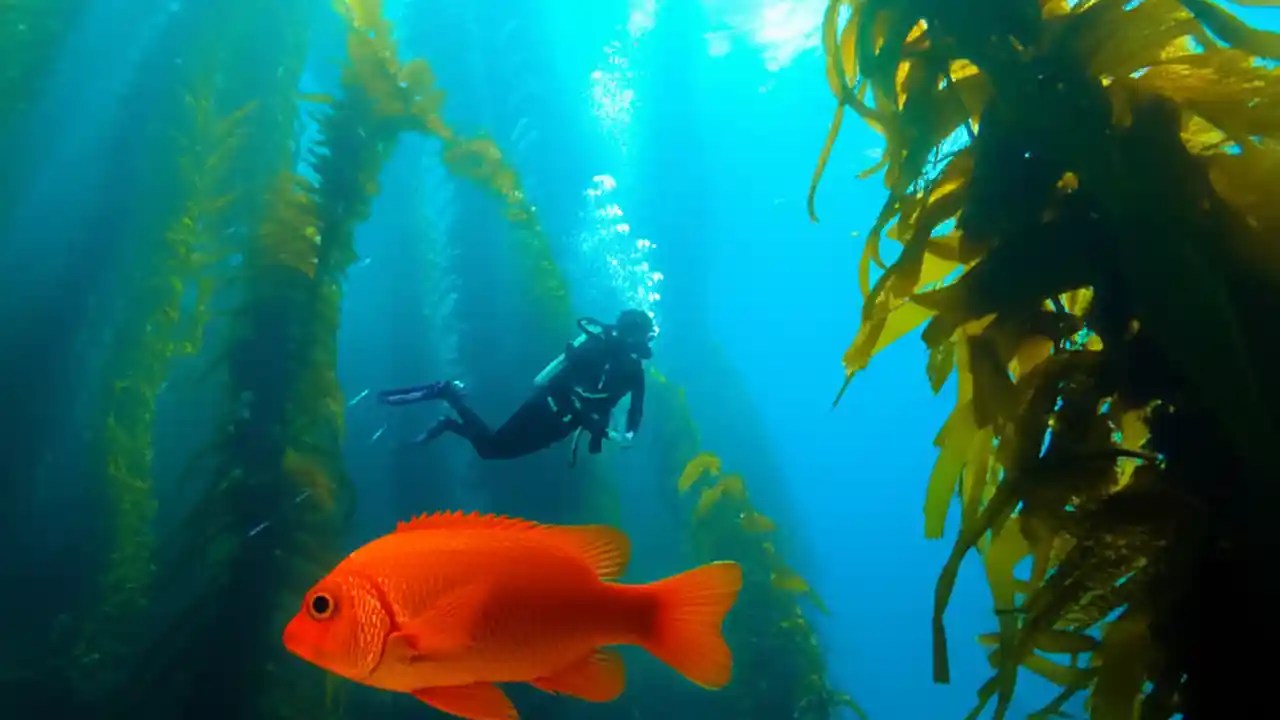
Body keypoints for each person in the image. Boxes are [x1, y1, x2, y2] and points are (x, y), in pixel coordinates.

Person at [378, 309, 655, 464]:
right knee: (493, 448)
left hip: (560, 421)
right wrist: (623, 433)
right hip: (548, 406)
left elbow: (636, 411)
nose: (641, 342)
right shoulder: (599, 345)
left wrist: (628, 434)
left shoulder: (631, 370)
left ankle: (449, 415)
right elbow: (561, 372)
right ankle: (448, 396)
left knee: (491, 450)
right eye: (641, 335)